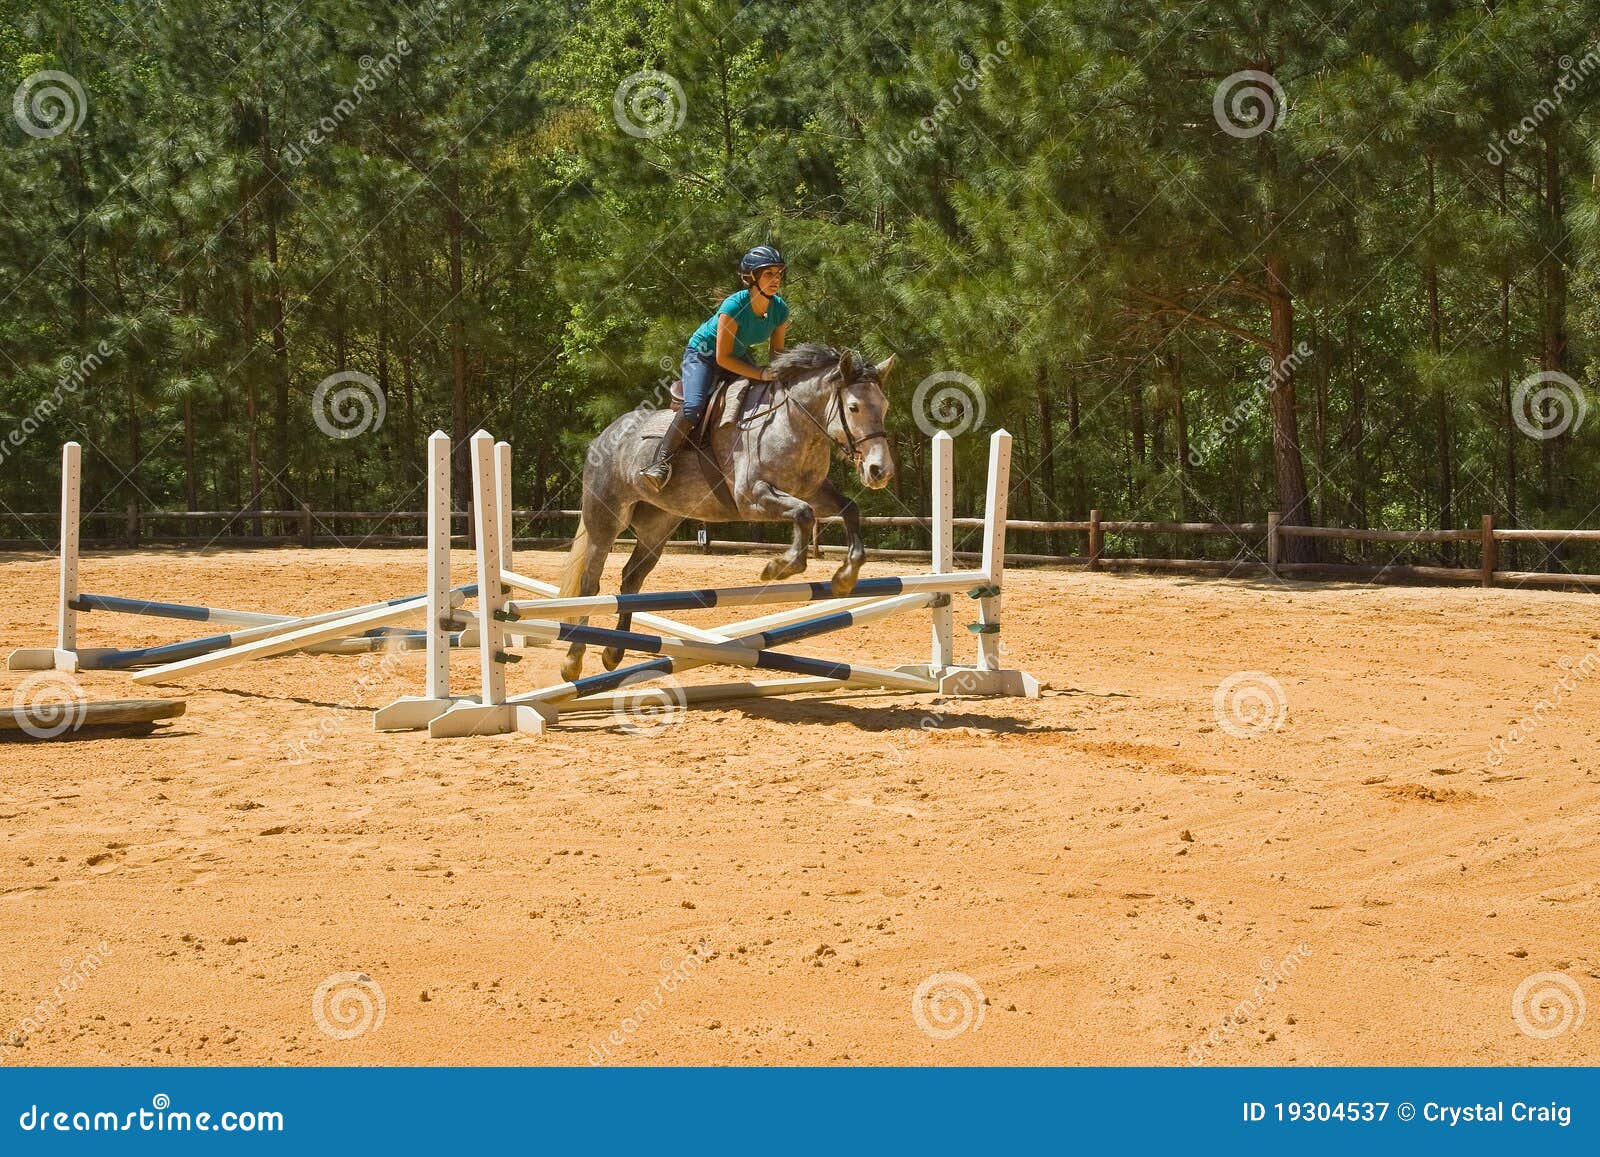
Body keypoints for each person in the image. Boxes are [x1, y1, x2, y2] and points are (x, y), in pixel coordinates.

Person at [638, 245, 790, 492]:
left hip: (737, 355)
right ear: (751, 278)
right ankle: (660, 463)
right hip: (703, 355)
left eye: (778, 274)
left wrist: (780, 374)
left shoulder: (780, 309)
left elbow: (777, 353)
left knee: (768, 392)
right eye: (768, 274)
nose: (775, 280)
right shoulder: (733, 306)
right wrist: (761, 373)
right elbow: (723, 359)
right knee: (694, 406)